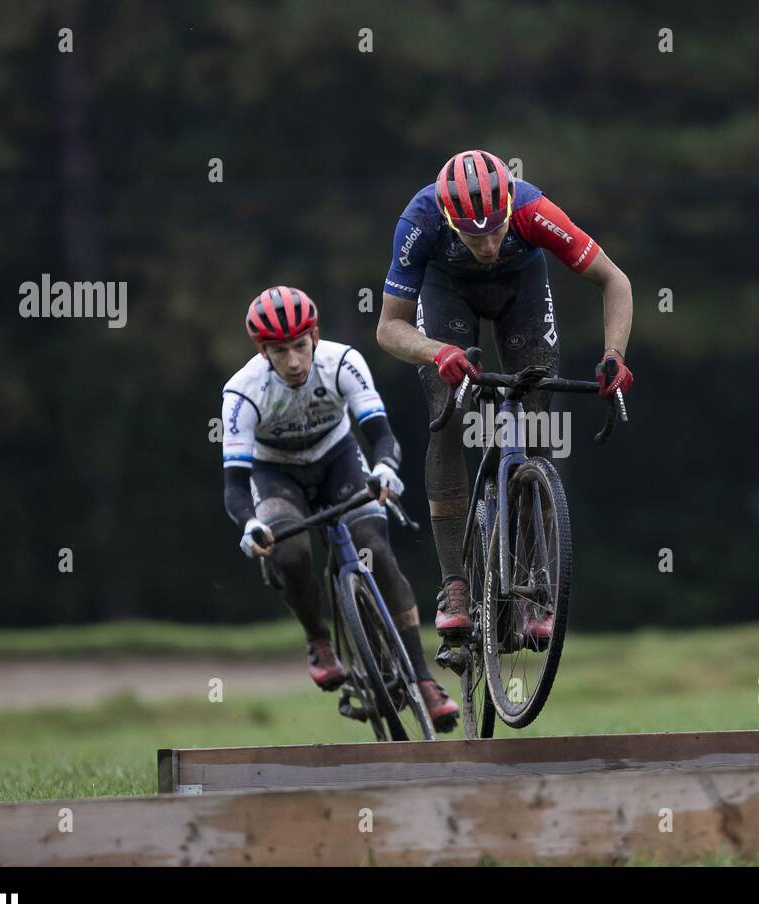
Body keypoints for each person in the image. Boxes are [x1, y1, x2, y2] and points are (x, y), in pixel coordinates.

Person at [375, 148, 634, 660]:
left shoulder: (533, 210)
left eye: (496, 230)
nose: (489, 244)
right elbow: (388, 327)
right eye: (474, 236)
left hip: (521, 292)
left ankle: (532, 578)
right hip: (445, 296)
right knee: (446, 418)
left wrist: (614, 355)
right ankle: (455, 585)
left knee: (537, 413)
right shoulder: (421, 219)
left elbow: (615, 280)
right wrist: (437, 352)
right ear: (449, 219)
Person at [221, 285, 459, 730]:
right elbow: (234, 484)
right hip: (277, 475)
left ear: (314, 336)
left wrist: (386, 468)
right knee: (291, 554)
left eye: (299, 346)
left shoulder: (342, 360)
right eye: (278, 351)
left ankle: (424, 682)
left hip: (338, 459)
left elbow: (380, 432)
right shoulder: (241, 392)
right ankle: (318, 638)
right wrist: (250, 524)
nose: (293, 361)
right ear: (261, 350)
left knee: (376, 550)